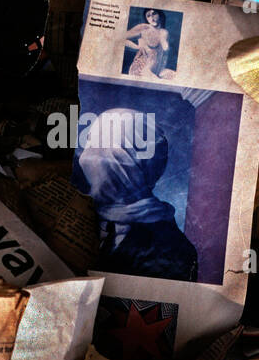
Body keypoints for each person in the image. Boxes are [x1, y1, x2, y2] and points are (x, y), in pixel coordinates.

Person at [77, 108, 198, 282]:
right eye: (88, 145)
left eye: (99, 150)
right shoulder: (84, 208)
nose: (85, 159)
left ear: (131, 167)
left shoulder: (174, 252)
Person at [125, 8, 171, 78]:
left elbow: (165, 52)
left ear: (160, 15)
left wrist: (162, 38)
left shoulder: (164, 32)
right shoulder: (144, 28)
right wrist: (137, 47)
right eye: (148, 16)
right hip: (141, 70)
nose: (151, 18)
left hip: (157, 71)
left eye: (154, 14)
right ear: (146, 19)